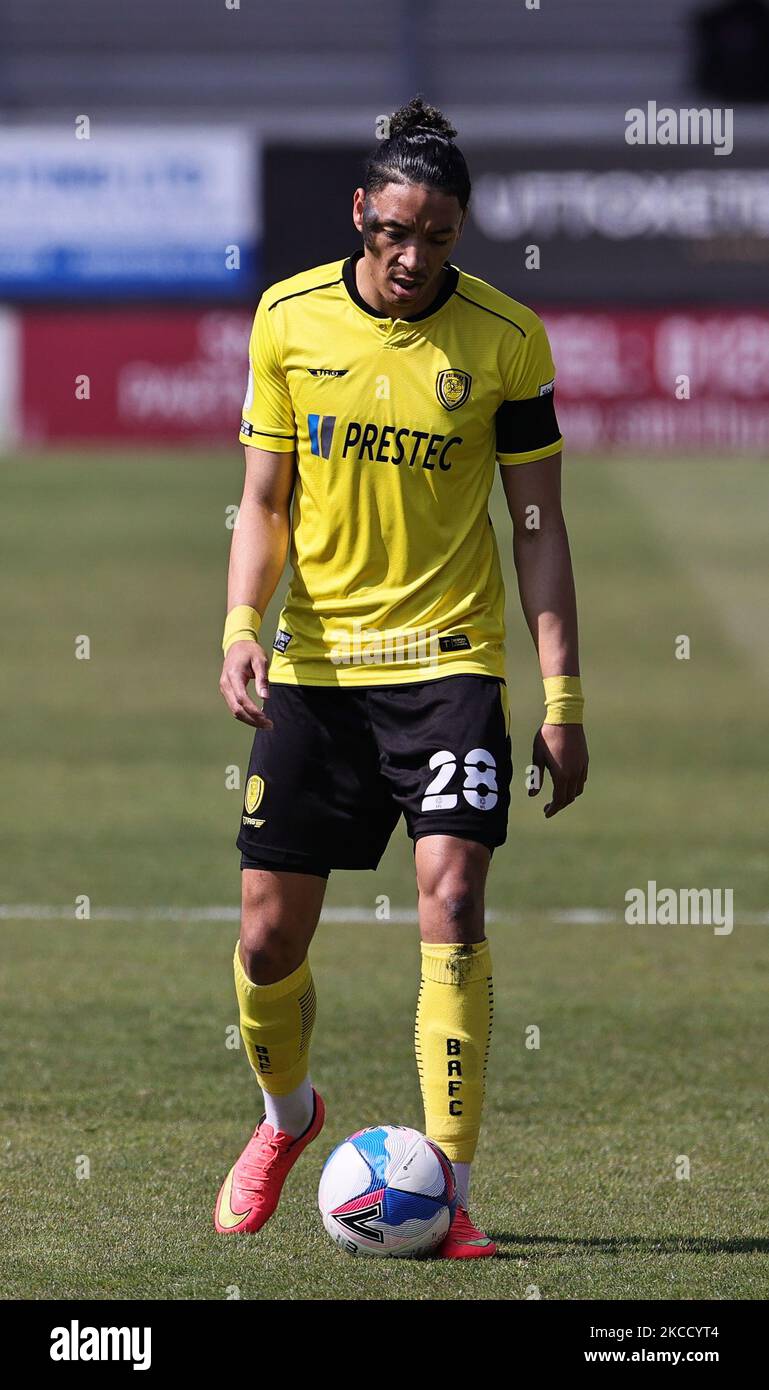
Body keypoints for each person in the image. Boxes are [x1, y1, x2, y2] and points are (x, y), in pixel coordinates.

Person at [214, 95, 588, 1258]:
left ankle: (452, 1190)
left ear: (459, 232)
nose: (413, 257)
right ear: (359, 214)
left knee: (455, 901)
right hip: (316, 667)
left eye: (437, 237)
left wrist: (563, 696)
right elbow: (265, 500)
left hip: (449, 664)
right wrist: (240, 624)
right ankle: (288, 1118)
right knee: (266, 939)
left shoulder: (506, 340)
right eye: (393, 232)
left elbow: (537, 528)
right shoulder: (288, 319)